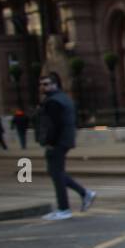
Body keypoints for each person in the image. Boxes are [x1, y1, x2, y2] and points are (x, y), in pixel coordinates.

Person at [36, 72, 95, 220]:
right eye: (41, 84)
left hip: (57, 142)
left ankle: (64, 208)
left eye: (46, 84)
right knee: (56, 173)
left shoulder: (53, 102)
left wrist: (50, 142)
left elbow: (54, 125)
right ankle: (84, 193)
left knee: (56, 173)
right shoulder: (63, 98)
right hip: (65, 140)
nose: (43, 87)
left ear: (54, 84)